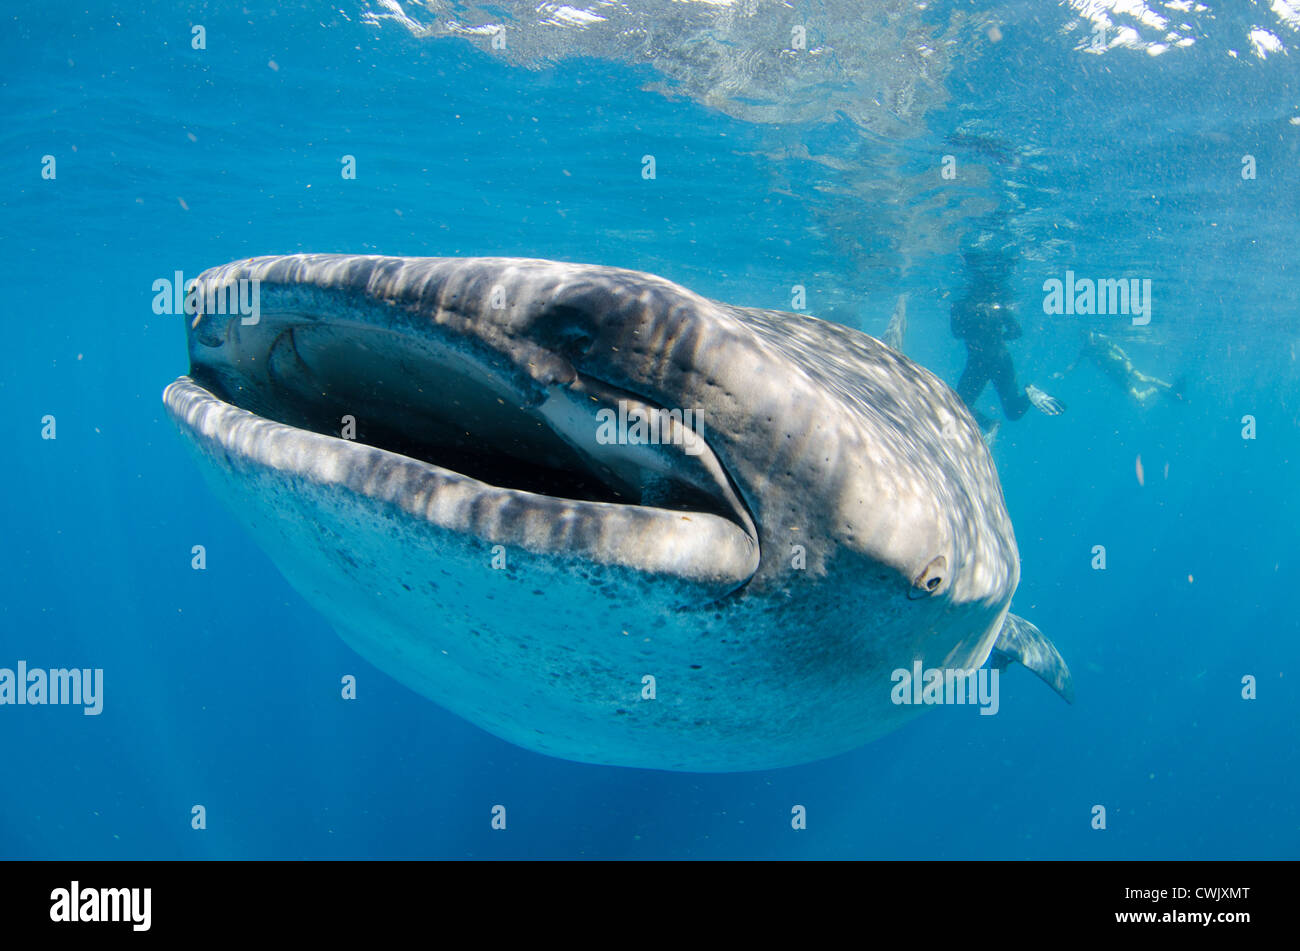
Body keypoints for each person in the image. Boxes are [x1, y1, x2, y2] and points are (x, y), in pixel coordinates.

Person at [950, 247, 1064, 432]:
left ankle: (988, 423)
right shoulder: (997, 307)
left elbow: (956, 334)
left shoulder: (959, 306)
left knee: (958, 405)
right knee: (1013, 412)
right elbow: (1016, 331)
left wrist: (972, 329)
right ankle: (1029, 393)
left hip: (978, 362)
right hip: (1000, 359)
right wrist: (996, 336)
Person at [1058, 329, 1185, 407]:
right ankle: (1155, 390)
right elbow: (1075, 363)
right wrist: (1063, 373)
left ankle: (1169, 386)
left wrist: (1126, 359)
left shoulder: (1101, 340)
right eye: (1085, 337)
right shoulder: (1086, 349)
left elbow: (1117, 348)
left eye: (1088, 335)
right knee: (1138, 398)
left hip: (1121, 365)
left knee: (1141, 378)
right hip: (1113, 374)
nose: (1088, 338)